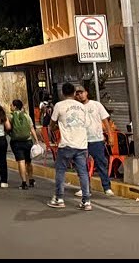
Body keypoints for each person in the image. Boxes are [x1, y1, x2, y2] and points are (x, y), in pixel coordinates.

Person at [47, 82, 91, 211]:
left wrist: (56, 127)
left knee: (61, 171)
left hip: (66, 144)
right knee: (82, 172)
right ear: (74, 93)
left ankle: (59, 198)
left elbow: (52, 124)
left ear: (62, 93)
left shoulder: (59, 105)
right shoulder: (82, 107)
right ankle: (86, 201)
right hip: (82, 144)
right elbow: (86, 124)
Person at [75, 86, 113, 196]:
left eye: (81, 92)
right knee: (82, 165)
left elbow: (105, 121)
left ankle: (107, 187)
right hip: (81, 140)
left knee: (101, 163)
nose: (80, 95)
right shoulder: (76, 108)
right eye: (77, 94)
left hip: (96, 139)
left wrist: (110, 136)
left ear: (86, 93)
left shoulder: (96, 105)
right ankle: (85, 188)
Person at [8, 99, 37, 190]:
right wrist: (36, 140)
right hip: (28, 141)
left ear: (15, 107)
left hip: (16, 142)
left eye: (11, 105)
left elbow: (8, 127)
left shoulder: (11, 117)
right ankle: (31, 179)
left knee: (21, 161)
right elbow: (32, 129)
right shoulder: (26, 116)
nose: (10, 106)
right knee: (28, 162)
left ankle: (24, 182)